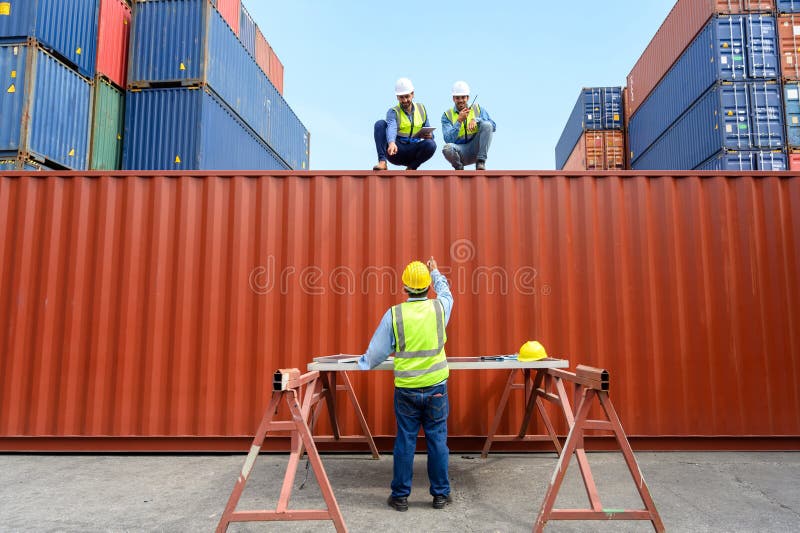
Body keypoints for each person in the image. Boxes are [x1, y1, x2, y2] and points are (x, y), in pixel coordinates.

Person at [358, 257, 453, 511]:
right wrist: (436, 273)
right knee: (437, 441)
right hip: (436, 389)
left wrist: (361, 363)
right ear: (427, 287)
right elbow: (446, 293)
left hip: (407, 391)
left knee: (405, 441)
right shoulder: (440, 308)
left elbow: (376, 353)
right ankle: (440, 495)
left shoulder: (395, 314)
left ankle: (400, 497)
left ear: (405, 287)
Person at [373, 78, 437, 171]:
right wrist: (391, 143)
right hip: (396, 151)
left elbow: (428, 128)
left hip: (414, 151)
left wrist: (430, 136)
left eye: (407, 96)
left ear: (412, 94)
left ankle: (412, 167)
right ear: (397, 97)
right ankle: (382, 162)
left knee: (431, 144)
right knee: (380, 124)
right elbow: (391, 128)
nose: (405, 100)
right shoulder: (393, 112)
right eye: (401, 97)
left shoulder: (421, 108)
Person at [441, 81, 496, 170]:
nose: (461, 100)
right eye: (457, 98)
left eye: (463, 97)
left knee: (487, 125)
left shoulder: (477, 109)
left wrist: (477, 120)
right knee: (447, 148)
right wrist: (459, 121)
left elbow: (493, 126)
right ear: (453, 99)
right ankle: (459, 168)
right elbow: (448, 139)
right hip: (460, 152)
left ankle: (481, 162)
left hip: (476, 149)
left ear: (468, 98)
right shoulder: (447, 115)